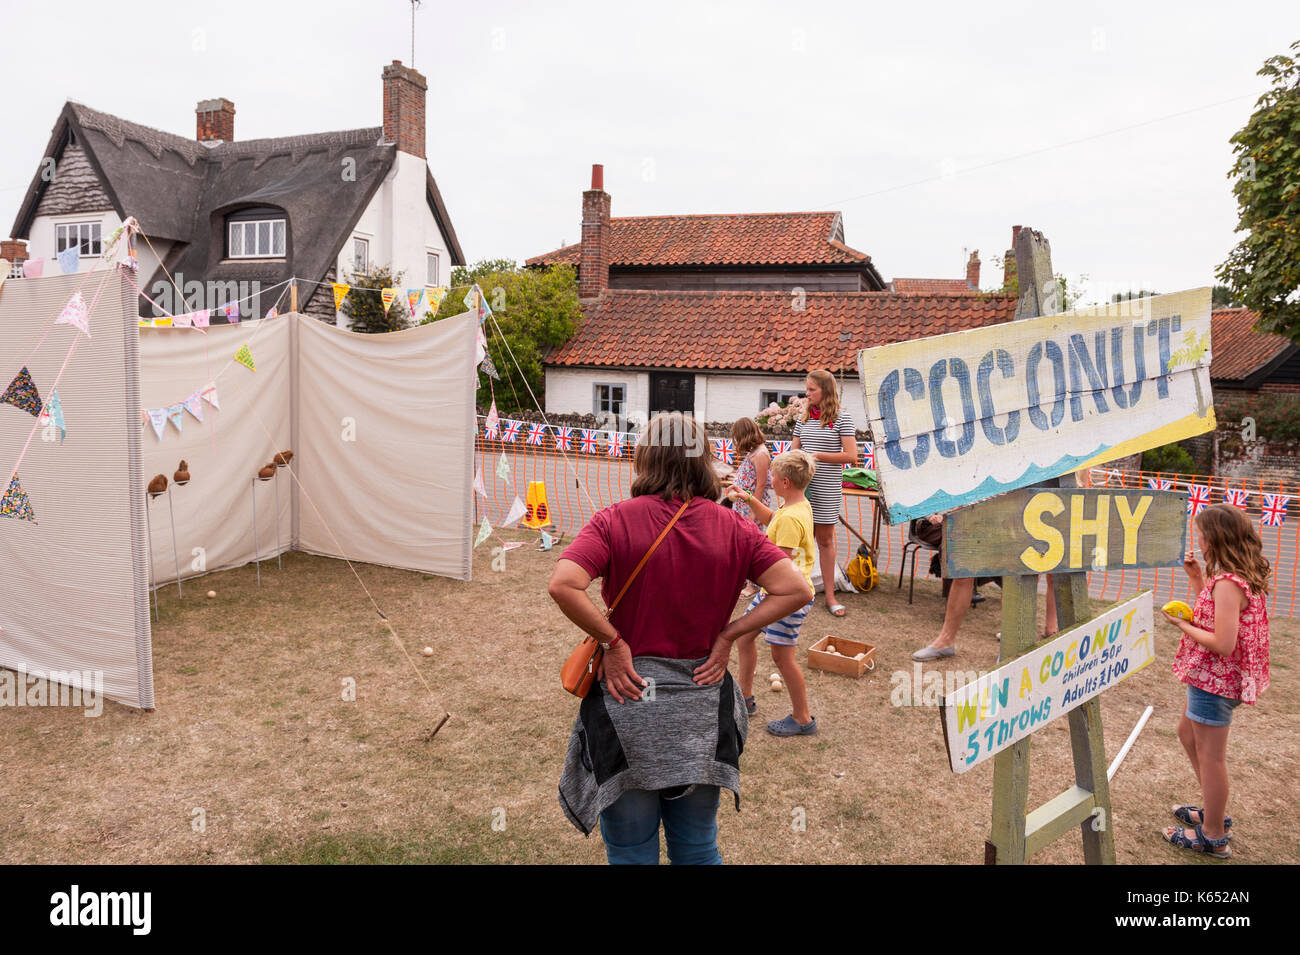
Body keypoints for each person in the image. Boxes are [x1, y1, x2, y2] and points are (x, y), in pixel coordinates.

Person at [549, 412, 813, 865]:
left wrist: (615, 643)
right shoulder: (736, 528)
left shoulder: (614, 520)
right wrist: (730, 634)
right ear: (704, 462)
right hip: (701, 709)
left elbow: (563, 583)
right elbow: (798, 589)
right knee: (697, 848)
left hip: (627, 703)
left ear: (645, 457)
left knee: (631, 852)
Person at [1161, 503, 1271, 860]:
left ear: (1215, 539)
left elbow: (1223, 643)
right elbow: (1214, 613)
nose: (1199, 540)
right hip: (1211, 678)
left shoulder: (1227, 583)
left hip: (1215, 681)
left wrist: (1181, 626)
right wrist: (1196, 580)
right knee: (1187, 733)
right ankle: (1213, 808)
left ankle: (1212, 834)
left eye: (1201, 535)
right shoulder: (1233, 576)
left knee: (1212, 758)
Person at [725, 450, 818, 735]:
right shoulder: (796, 506)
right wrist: (747, 497)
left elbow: (779, 562)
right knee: (743, 636)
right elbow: (772, 519)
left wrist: (742, 568)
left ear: (786, 482)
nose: (771, 480)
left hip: (788, 597)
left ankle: (803, 718)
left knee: (782, 658)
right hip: (774, 593)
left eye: (774, 476)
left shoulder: (792, 518)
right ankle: (745, 698)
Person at [792, 369, 857, 618]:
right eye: (807, 390)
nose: (807, 395)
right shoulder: (803, 418)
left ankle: (830, 595)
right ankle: (799, 591)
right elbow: (794, 451)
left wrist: (817, 456)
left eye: (812, 390)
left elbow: (851, 456)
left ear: (826, 390)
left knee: (825, 540)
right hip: (803, 485)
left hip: (827, 485)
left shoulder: (843, 418)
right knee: (798, 538)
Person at [730, 417, 776, 598]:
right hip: (743, 504)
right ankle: (743, 578)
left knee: (751, 544)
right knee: (741, 543)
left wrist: (753, 511)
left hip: (751, 506)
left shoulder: (761, 454)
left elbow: (761, 484)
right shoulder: (754, 452)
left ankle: (753, 584)